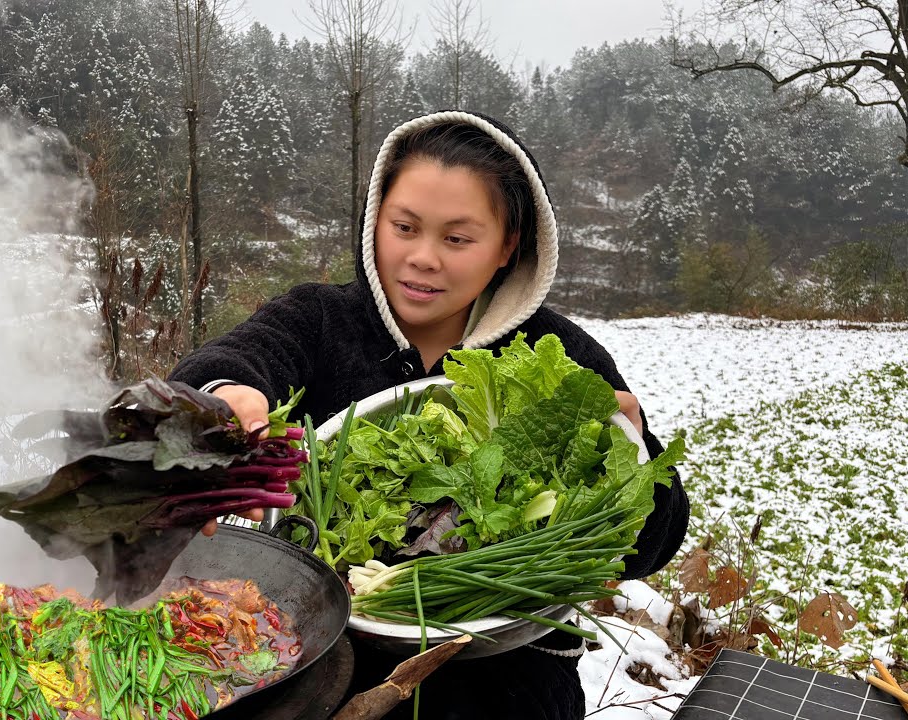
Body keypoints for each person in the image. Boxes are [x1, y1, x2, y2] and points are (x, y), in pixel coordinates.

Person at [167, 110, 688, 720]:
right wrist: (222, 399)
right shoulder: (318, 321)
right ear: (374, 223)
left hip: (512, 683)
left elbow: (652, 542)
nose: (423, 258)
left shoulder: (559, 357)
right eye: (405, 227)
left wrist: (630, 451)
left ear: (508, 246)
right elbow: (234, 361)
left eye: (458, 238)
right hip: (328, 671)